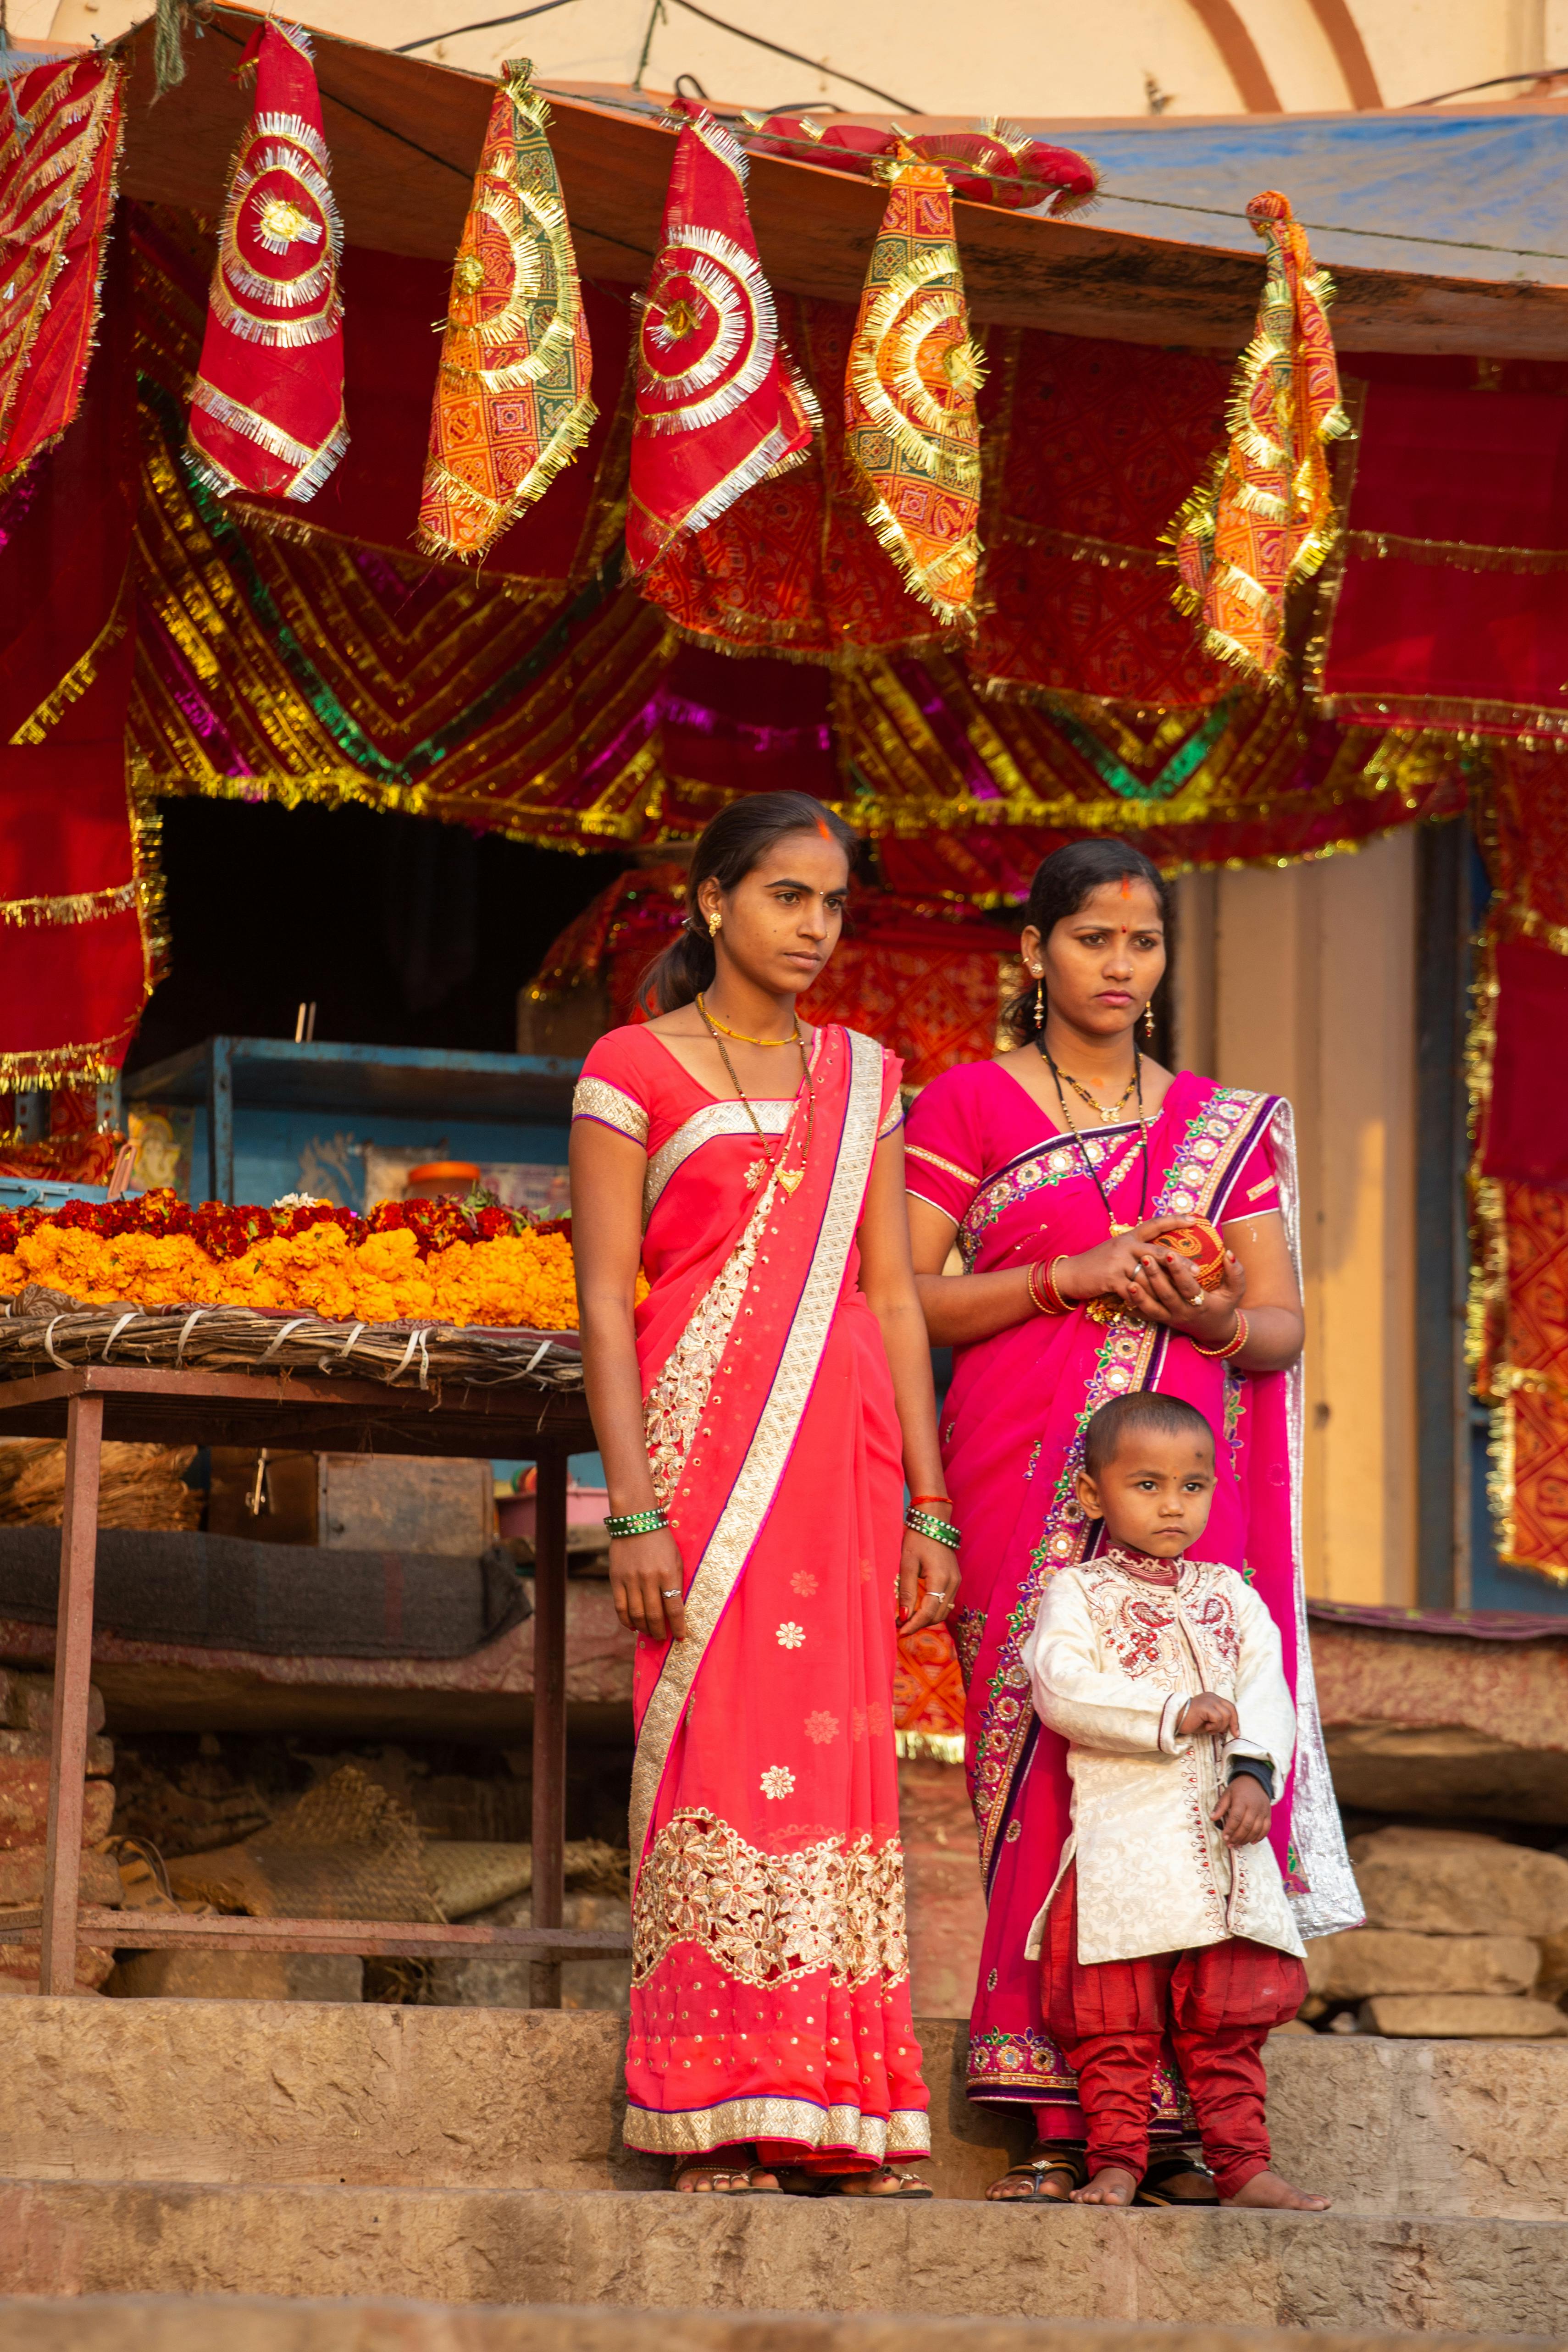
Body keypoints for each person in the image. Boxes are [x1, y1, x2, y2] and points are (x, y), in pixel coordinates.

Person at [902, 836, 1360, 2206]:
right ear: (1034, 950)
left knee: (1170, 1785)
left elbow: (1276, 1326)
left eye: (1143, 941)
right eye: (1093, 938)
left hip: (1175, 1490)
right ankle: (1056, 2102)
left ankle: (1171, 2118)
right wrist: (1068, 1275)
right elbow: (905, 1301)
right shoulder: (971, 1103)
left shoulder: (1223, 1124)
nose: (1119, 965)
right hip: (1013, 1474)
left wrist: (1211, 1316)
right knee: (1043, 1763)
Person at [570, 790, 956, 2199]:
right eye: (788, 896)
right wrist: (628, 1507)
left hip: (839, 1453)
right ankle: (713, 2110)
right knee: (717, 1757)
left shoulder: (863, 1076)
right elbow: (606, 1305)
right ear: (710, 897)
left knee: (839, 1768)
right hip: (697, 1454)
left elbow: (895, 1296)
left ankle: (839, 2111)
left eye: (834, 903)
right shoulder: (630, 1065)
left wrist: (929, 1501)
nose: (815, 927)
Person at [1024, 1389, 1327, 2211]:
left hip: (1228, 1843)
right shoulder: (1078, 1593)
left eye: (1192, 1486)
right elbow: (1061, 1685)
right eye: (1147, 1484)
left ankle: (1243, 2167)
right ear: (1094, 1494)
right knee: (1114, 2023)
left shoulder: (1229, 1592)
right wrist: (1170, 1714)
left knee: (1227, 2023)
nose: (1172, 1504)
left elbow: (1268, 1690)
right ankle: (1116, 2163)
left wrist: (1254, 1775)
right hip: (1129, 1841)